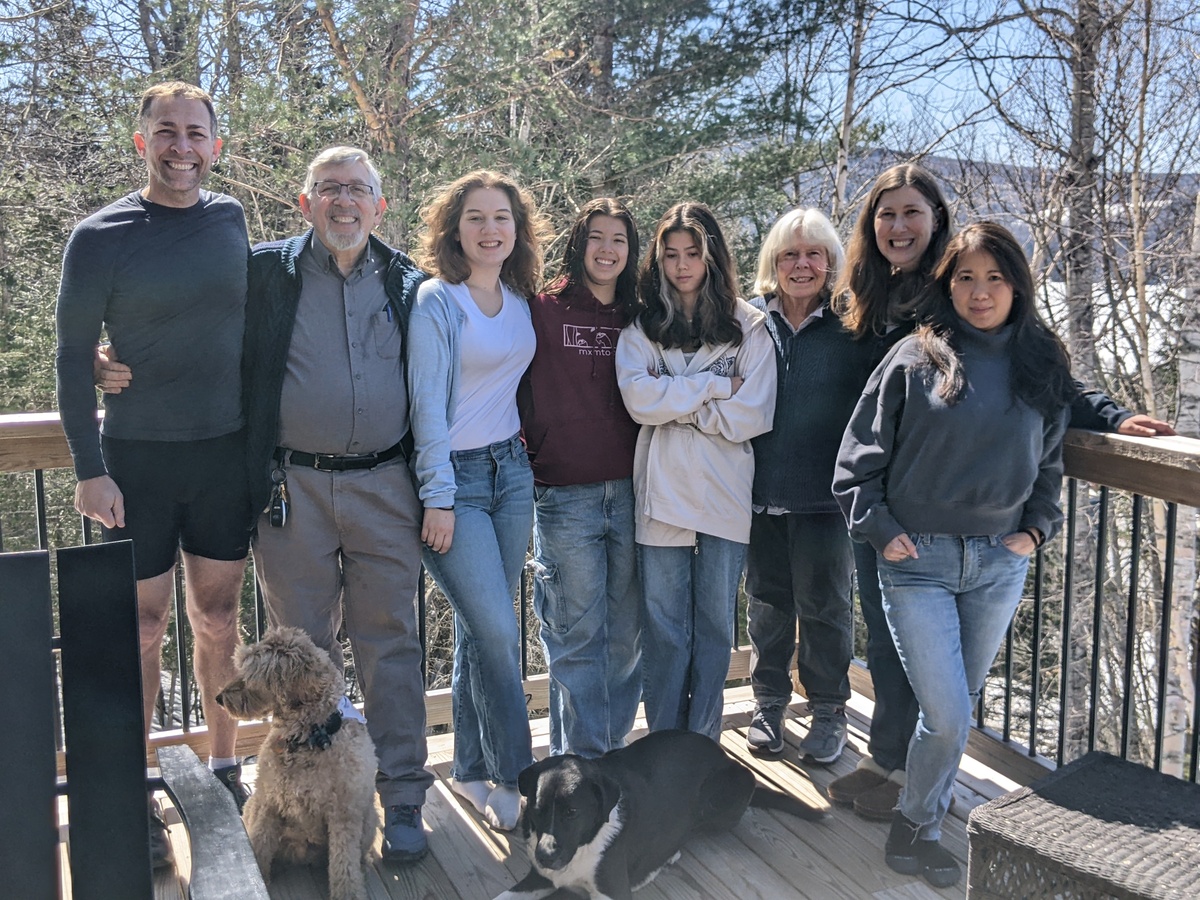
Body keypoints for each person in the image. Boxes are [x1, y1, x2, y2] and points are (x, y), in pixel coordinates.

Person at [827, 163, 1177, 821]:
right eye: (886, 213)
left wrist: (1109, 416)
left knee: (927, 663)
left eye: (912, 212)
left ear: (937, 221)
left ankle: (907, 778)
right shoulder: (865, 300)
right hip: (879, 496)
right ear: (870, 225)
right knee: (884, 640)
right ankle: (890, 764)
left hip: (941, 511)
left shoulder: (955, 293)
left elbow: (1041, 375)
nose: (898, 225)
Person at [833, 221, 1077, 887]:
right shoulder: (916, 358)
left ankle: (918, 822)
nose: (980, 291)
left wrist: (1038, 529)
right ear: (946, 284)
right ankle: (919, 827)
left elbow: (1050, 462)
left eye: (994, 277)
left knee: (953, 711)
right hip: (920, 564)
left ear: (1017, 286)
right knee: (946, 715)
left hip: (1000, 563)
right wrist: (882, 531)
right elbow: (856, 462)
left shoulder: (1041, 361)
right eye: (965, 277)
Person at [55, 81, 251, 866]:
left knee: (219, 620)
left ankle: (225, 765)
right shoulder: (98, 236)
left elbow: (258, 319)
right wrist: (88, 467)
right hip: (135, 461)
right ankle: (137, 782)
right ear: (142, 143)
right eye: (166, 133)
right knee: (139, 627)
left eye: (195, 133)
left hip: (223, 455)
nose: (181, 147)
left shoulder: (232, 220)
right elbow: (72, 359)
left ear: (215, 146)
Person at [240, 146, 432, 862]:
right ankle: (301, 808)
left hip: (386, 485)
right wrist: (115, 357)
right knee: (302, 655)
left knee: (392, 643)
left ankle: (404, 795)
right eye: (329, 189)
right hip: (293, 490)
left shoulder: (410, 283)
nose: (343, 201)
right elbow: (199, 329)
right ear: (305, 203)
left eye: (358, 189)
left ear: (380, 205)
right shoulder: (266, 271)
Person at [407, 170, 546, 831]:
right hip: (453, 484)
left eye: (501, 218)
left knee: (478, 627)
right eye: (476, 217)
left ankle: (467, 769)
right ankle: (517, 778)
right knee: (495, 630)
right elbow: (426, 409)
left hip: (512, 472)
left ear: (516, 231)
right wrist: (436, 496)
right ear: (453, 228)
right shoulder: (438, 302)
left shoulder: (520, 298)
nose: (490, 229)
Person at [615, 202, 777, 740]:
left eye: (693, 254)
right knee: (663, 629)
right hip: (661, 490)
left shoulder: (749, 326)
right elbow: (639, 401)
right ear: (658, 260)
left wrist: (674, 403)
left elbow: (751, 414)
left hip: (725, 489)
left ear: (713, 257)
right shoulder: (643, 327)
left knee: (713, 627)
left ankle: (703, 741)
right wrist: (710, 387)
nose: (682, 266)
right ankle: (664, 741)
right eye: (671, 255)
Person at [743, 208, 876, 765]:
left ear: (830, 263)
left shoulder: (853, 328)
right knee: (767, 605)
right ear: (774, 262)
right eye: (790, 254)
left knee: (825, 608)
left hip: (826, 499)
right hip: (757, 494)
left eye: (814, 254)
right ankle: (769, 703)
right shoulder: (751, 322)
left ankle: (827, 709)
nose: (802, 265)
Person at [520, 198, 643, 758]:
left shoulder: (643, 315)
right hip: (564, 497)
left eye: (618, 239)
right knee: (574, 638)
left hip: (636, 495)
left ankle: (609, 754)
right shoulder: (540, 309)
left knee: (625, 642)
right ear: (579, 242)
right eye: (597, 237)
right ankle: (583, 766)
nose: (607, 249)